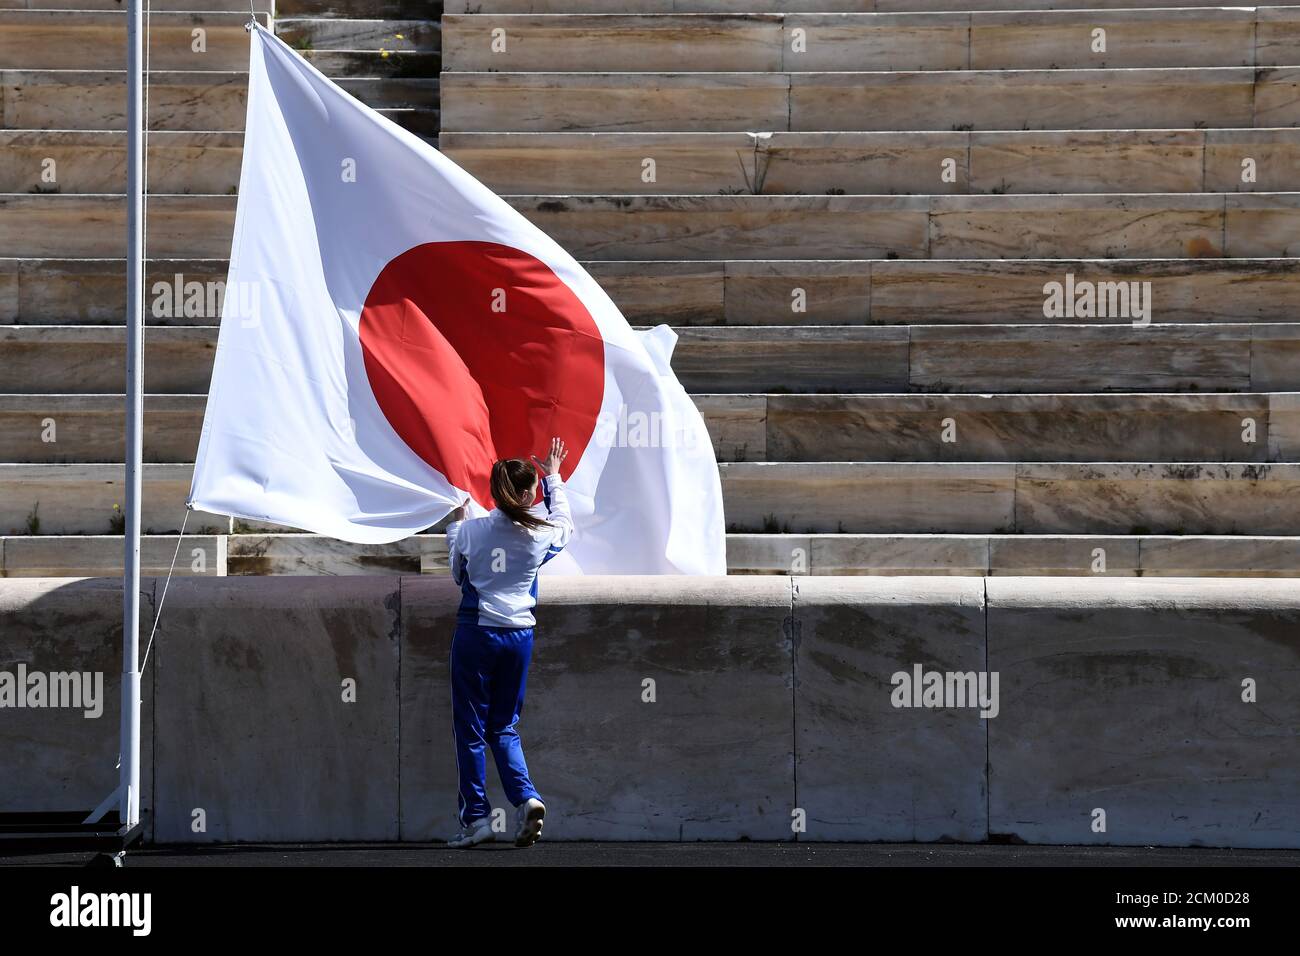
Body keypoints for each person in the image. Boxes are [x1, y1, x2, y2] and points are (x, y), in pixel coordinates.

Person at [444, 437, 574, 849]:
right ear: (527, 492)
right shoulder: (542, 535)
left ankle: (477, 819)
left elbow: (458, 573)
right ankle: (526, 797)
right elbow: (565, 524)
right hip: (520, 636)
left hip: (476, 634)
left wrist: (456, 519)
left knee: (470, 728)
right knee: (504, 726)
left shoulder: (469, 531)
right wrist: (553, 477)